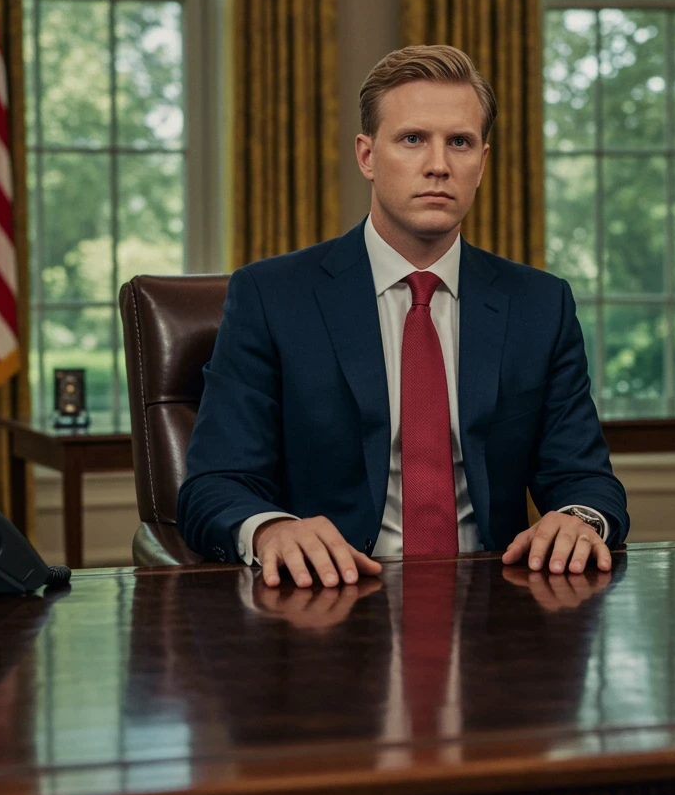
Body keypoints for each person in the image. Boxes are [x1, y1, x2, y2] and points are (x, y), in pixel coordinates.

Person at [177, 45, 629, 587]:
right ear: (367, 156)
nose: (438, 165)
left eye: (459, 143)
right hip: (328, 603)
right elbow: (212, 485)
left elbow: (587, 481)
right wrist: (271, 528)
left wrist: (580, 521)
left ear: (482, 164)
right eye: (413, 139)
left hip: (496, 613)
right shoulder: (272, 297)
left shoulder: (540, 304)